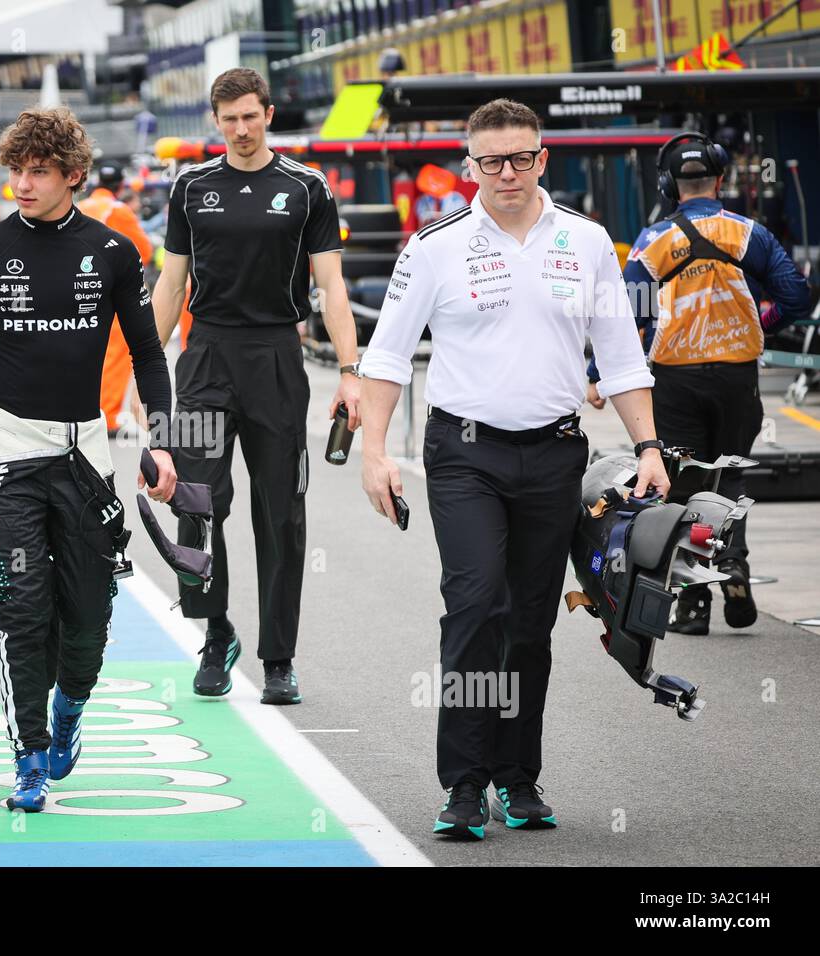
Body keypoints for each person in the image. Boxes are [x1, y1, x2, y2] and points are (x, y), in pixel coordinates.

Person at [359, 98, 671, 840]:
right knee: (475, 610)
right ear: (470, 166)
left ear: (542, 159)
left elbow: (622, 359)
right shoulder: (434, 247)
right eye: (491, 160)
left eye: (521, 158)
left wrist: (651, 447)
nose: (507, 172)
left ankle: (517, 776)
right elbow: (388, 357)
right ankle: (463, 784)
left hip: (557, 451)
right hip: (465, 454)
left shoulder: (588, 243)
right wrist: (374, 452)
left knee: (530, 625)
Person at [0, 107, 175, 812]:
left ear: (73, 176)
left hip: (86, 454)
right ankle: (28, 759)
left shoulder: (116, 253)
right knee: (25, 611)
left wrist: (163, 437)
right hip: (6, 456)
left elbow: (148, 352)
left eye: (38, 172)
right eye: (16, 171)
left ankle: (69, 713)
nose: (22, 184)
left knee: (87, 618)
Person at [151, 67, 360, 705]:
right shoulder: (189, 187)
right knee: (196, 502)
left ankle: (279, 659)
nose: (240, 129)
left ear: (268, 114)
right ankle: (216, 633)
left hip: (276, 356)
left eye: (250, 116)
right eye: (228, 119)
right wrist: (144, 365)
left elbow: (332, 288)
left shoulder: (306, 187)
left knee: (280, 513)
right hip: (206, 354)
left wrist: (351, 373)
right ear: (215, 122)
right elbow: (170, 284)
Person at [586, 131, 810, 635]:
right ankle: (733, 567)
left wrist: (598, 375)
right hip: (738, 379)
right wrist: (756, 323)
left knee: (685, 488)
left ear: (667, 184)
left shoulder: (652, 242)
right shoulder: (749, 234)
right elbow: (796, 297)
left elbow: (629, 318)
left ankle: (693, 605)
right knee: (729, 478)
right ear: (722, 179)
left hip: (674, 381)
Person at [79, 163, 154, 434]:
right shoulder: (118, 210)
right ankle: (106, 415)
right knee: (115, 352)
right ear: (121, 187)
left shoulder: (82, 207)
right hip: (108, 290)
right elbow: (142, 251)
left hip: (76, 287)